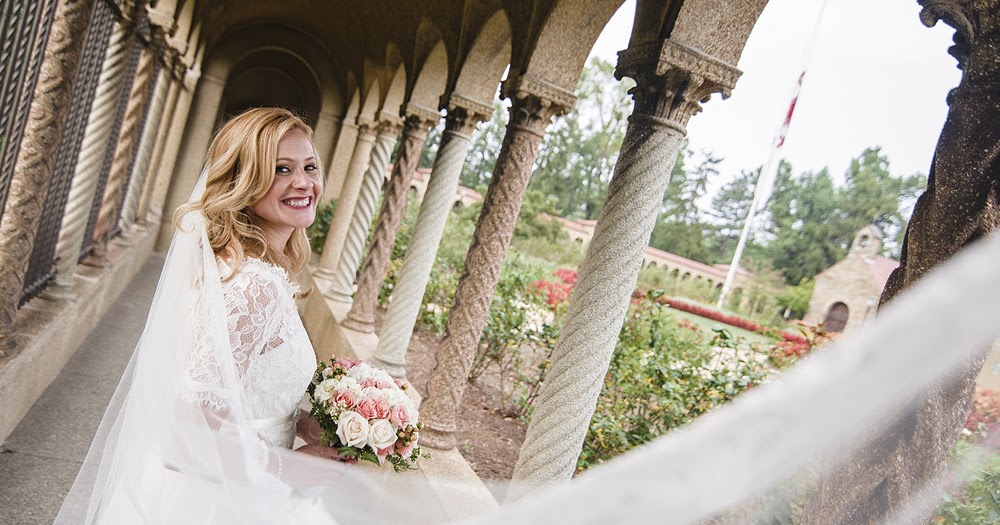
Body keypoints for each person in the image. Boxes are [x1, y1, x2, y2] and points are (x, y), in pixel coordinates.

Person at [54, 108, 432, 524]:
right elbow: (184, 439)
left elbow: (238, 392)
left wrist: (306, 423)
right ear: (243, 183)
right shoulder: (256, 286)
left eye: (309, 166)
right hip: (219, 502)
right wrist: (287, 465)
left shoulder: (242, 270)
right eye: (281, 169)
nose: (303, 182)